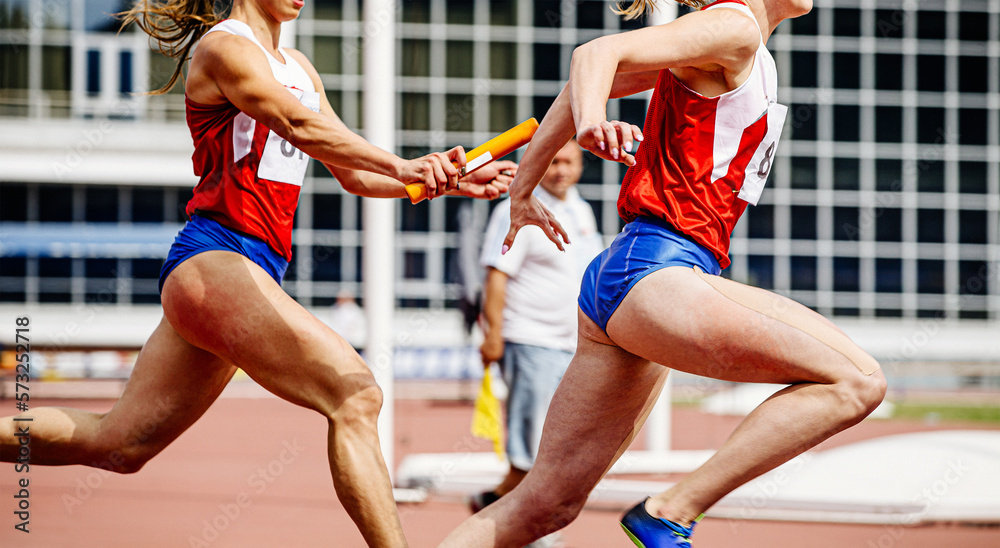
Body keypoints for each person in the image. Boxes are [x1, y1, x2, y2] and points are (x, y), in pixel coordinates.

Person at [0, 1, 514, 546]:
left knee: (119, 447)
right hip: (214, 260)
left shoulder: (298, 66)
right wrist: (402, 164)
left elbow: (352, 175)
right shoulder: (224, 48)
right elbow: (295, 124)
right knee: (355, 395)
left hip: (246, 274)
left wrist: (442, 181)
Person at [439, 0, 886, 547]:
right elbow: (594, 54)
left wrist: (522, 187)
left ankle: (667, 512)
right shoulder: (735, 25)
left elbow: (589, 76)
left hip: (631, 279)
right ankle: (672, 510)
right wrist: (590, 125)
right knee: (858, 381)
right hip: (659, 267)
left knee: (543, 506)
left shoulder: (733, 44)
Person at [472, 140, 602, 529]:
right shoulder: (517, 208)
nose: (562, 170)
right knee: (532, 452)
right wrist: (493, 334)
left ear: (580, 166)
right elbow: (497, 275)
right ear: (543, 165)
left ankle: (491, 504)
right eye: (555, 161)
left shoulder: (581, 210)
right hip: (530, 340)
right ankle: (531, 532)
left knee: (562, 447)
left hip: (572, 344)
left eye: (570, 162)